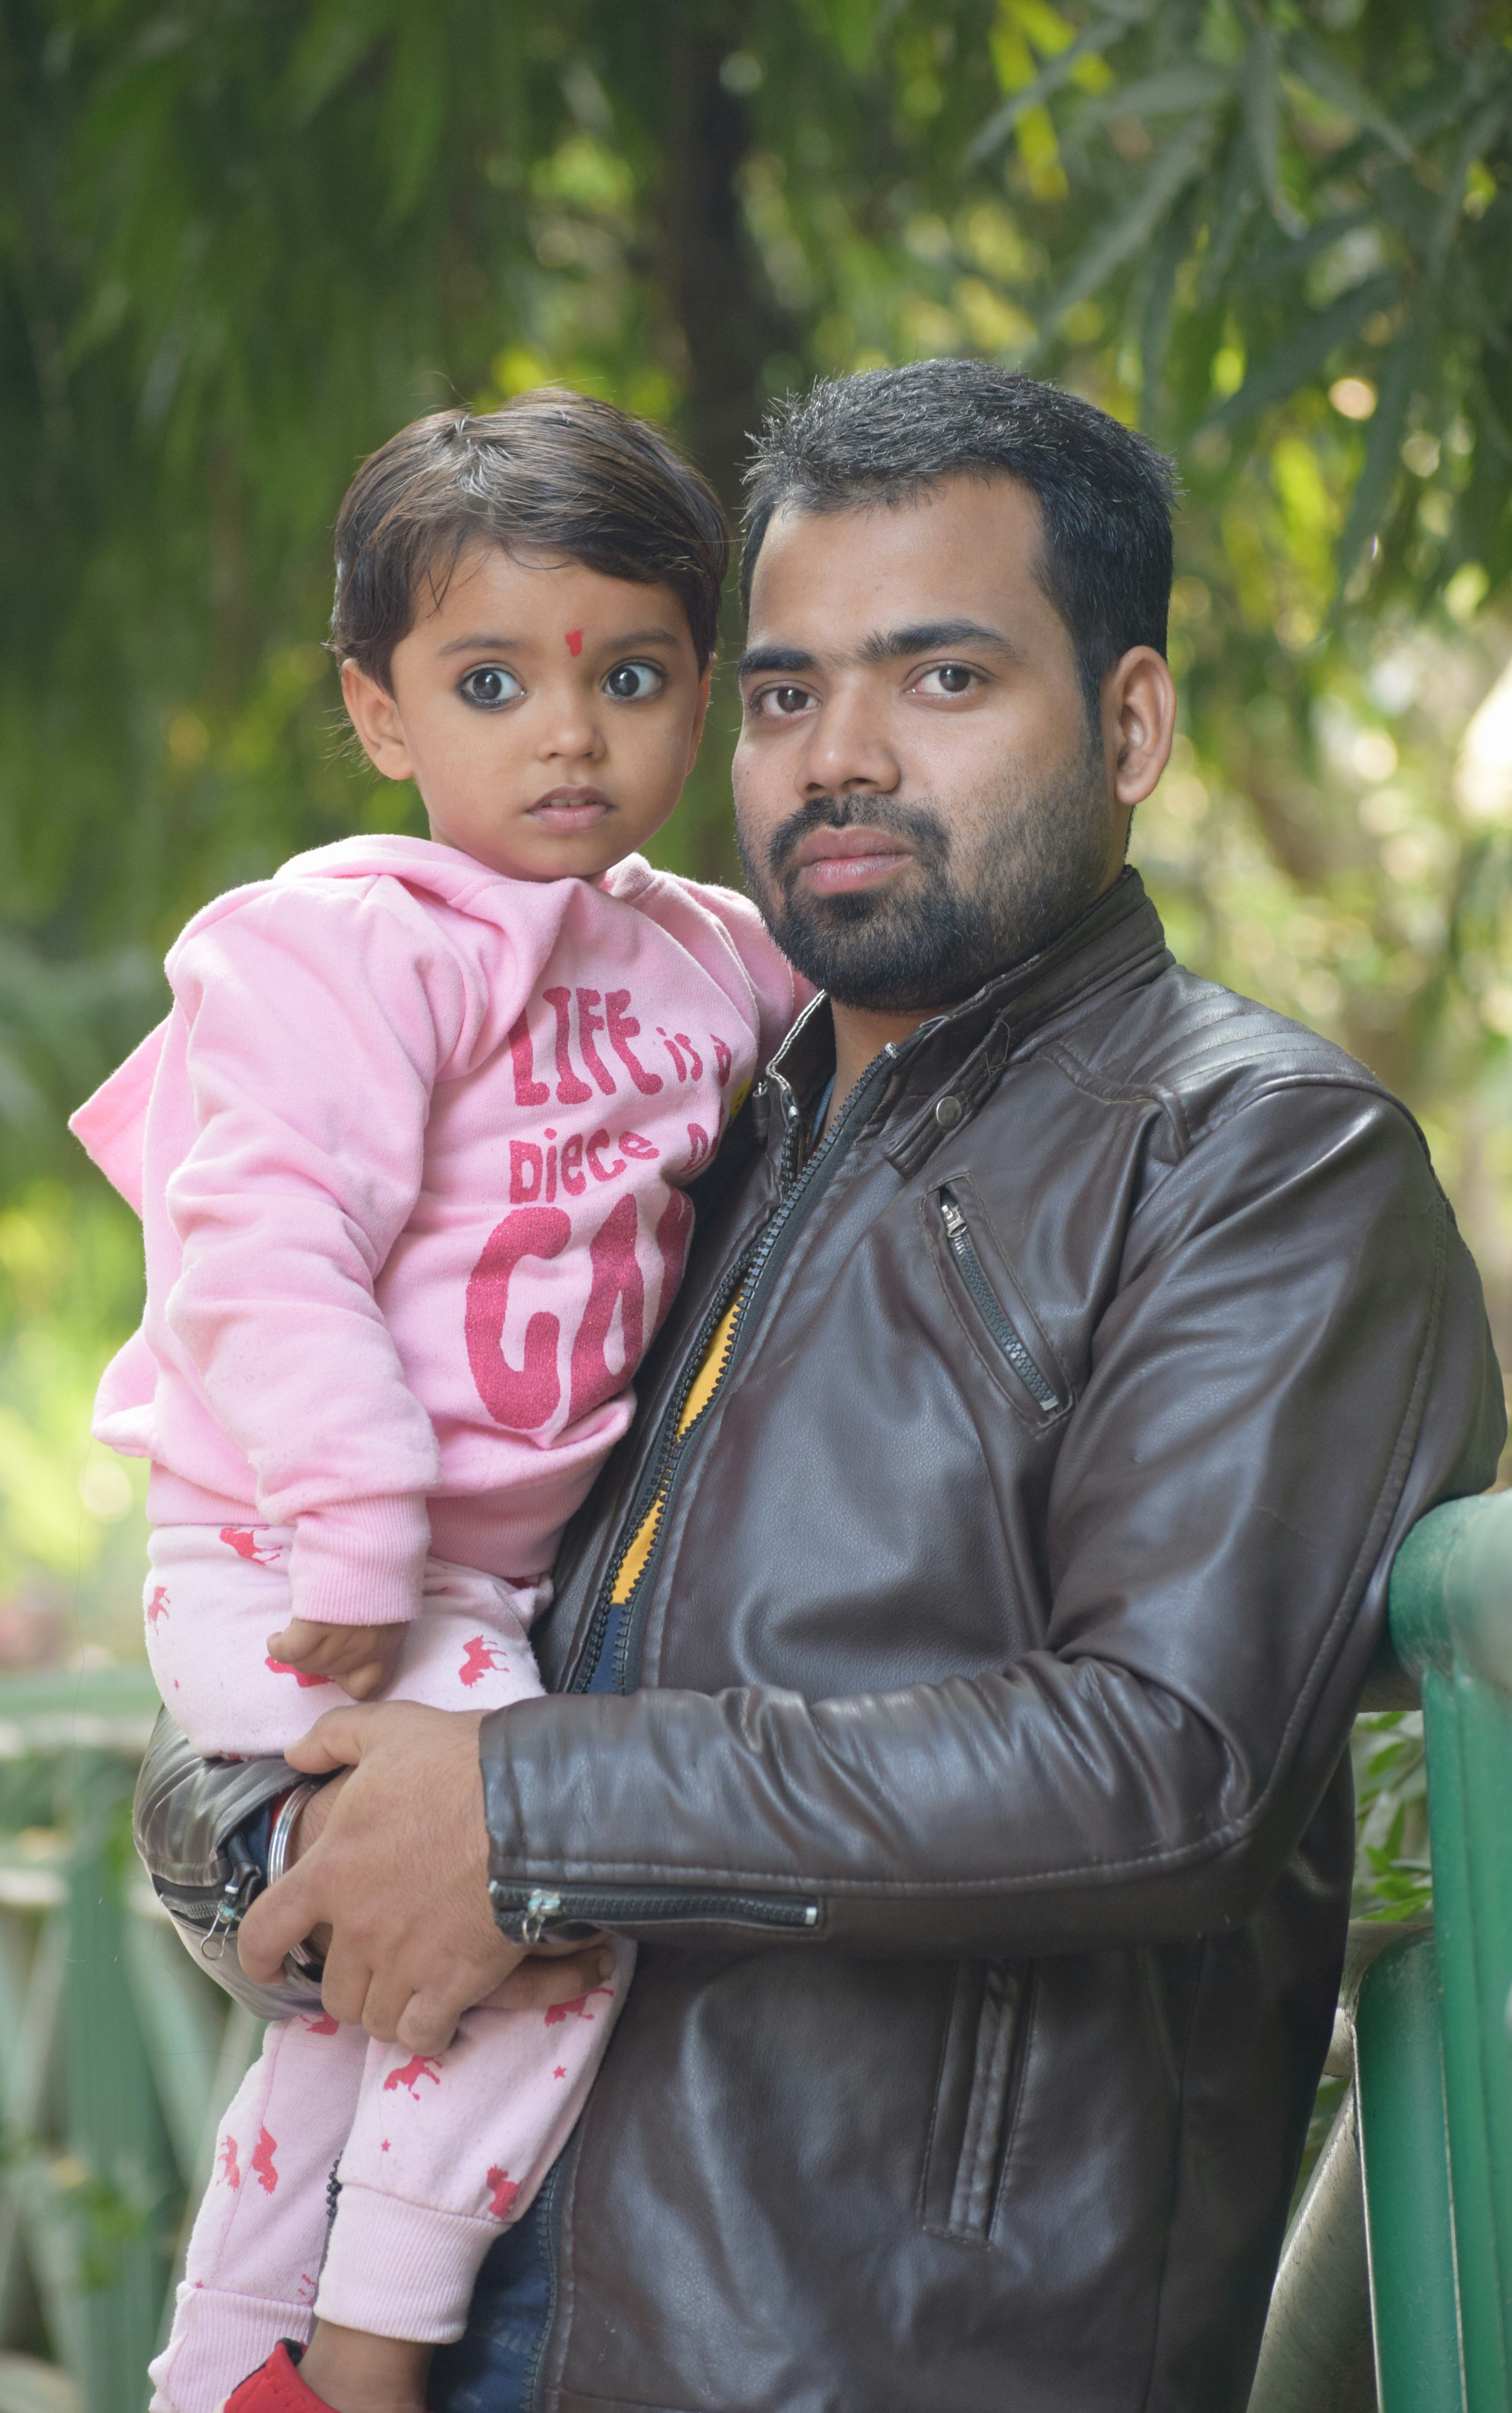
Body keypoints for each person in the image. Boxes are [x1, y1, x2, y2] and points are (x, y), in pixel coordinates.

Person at [136, 359, 1504, 2413]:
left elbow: (1170, 1765)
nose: (840, 756)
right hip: (450, 2318)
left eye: (942, 679)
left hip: (852, 2356)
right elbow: (392, 1651)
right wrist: (253, 1848)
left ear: (1130, 723)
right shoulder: (679, 1130)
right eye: (783, 694)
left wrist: (522, 1816)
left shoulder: (1256, 1158)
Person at [71, 389, 802, 2413]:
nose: (566, 736)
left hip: (469, 1606)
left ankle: (228, 2368)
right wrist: (362, 1526)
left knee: (356, 1995)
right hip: (293, 1555)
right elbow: (261, 1250)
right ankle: (380, 2366)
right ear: (382, 713)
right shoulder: (345, 947)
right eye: (492, 681)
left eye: (631, 677)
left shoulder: (704, 960)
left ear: (702, 696)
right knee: (539, 1914)